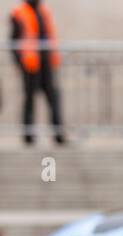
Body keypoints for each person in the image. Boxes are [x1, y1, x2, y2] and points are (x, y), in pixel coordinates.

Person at [9, 0, 63, 145]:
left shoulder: (43, 11)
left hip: (45, 63)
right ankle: (28, 136)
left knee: (54, 97)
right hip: (30, 64)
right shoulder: (19, 13)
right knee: (29, 100)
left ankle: (58, 134)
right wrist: (20, 63)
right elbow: (13, 41)